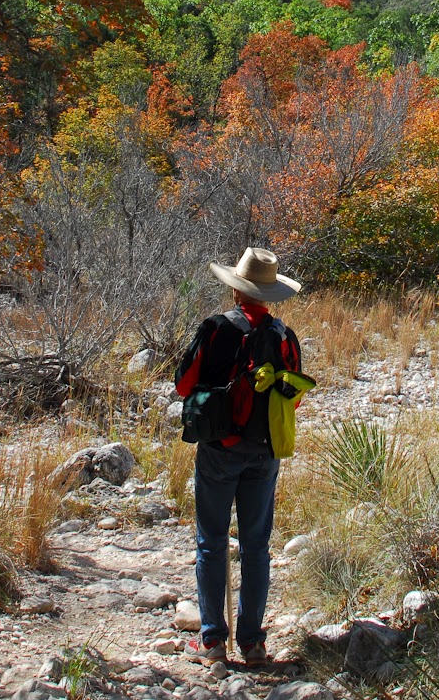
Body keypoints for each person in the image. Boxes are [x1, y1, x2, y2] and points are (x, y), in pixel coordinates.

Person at [173, 247, 304, 665]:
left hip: (218, 450)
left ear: (236, 291)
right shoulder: (283, 336)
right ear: (269, 295)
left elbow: (183, 386)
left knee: (211, 543)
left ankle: (212, 642)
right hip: (264, 452)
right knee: (256, 546)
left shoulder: (214, 329)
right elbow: (293, 400)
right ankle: (252, 642)